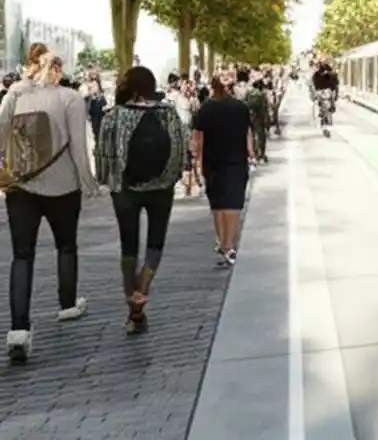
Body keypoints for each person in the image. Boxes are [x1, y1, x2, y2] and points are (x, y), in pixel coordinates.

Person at [0, 50, 98, 363]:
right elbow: (78, 146)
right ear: (58, 70)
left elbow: (1, 134)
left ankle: (18, 330)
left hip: (21, 185)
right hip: (63, 185)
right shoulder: (70, 98)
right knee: (66, 245)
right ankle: (67, 305)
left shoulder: (14, 94)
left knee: (22, 255)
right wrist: (88, 182)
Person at [96, 67, 186, 334]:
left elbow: (103, 155)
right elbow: (180, 149)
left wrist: (106, 181)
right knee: (155, 243)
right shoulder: (169, 113)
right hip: (161, 188)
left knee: (128, 245)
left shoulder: (113, 117)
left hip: (125, 188)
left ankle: (133, 309)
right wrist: (173, 177)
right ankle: (143, 290)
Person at [192, 75, 253, 268]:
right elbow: (247, 134)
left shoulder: (205, 109)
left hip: (212, 161)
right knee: (233, 204)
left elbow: (198, 140)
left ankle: (221, 242)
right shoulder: (242, 108)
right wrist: (251, 154)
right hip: (236, 160)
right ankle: (229, 244)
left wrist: (199, 163)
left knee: (217, 204)